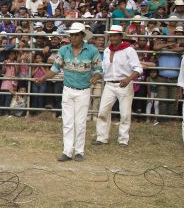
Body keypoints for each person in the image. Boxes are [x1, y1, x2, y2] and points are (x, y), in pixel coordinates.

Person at [35, 22, 102, 162]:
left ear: (82, 36)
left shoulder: (92, 51)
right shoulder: (64, 50)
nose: (73, 37)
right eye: (72, 35)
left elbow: (98, 69)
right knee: (67, 121)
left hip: (83, 90)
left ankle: (79, 151)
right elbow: (55, 69)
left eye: (76, 35)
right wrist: (43, 78)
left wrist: (96, 77)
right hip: (68, 89)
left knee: (80, 122)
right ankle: (67, 151)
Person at [93, 25, 143, 147]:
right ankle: (101, 137)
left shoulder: (129, 50)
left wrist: (128, 79)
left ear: (121, 37)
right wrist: (97, 76)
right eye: (111, 36)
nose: (112, 38)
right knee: (103, 111)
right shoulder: (107, 50)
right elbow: (104, 69)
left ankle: (123, 139)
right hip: (109, 84)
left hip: (124, 84)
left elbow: (138, 68)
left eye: (115, 36)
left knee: (125, 113)